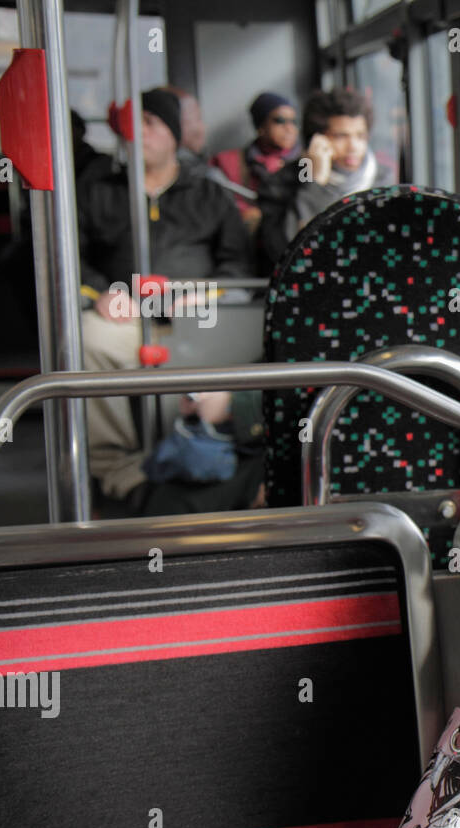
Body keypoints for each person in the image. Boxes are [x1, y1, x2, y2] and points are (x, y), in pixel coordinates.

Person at [76, 87, 255, 513]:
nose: (139, 133)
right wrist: (102, 294)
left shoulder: (209, 194)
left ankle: (210, 458)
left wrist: (205, 295)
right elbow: (74, 258)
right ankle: (121, 473)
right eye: (132, 124)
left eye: (151, 123)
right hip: (125, 315)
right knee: (90, 339)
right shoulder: (100, 190)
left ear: (174, 135)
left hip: (199, 313)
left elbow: (237, 264)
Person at [256, 88, 395, 269]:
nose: (353, 146)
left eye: (360, 136)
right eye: (341, 136)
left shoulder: (381, 178)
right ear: (317, 139)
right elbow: (283, 251)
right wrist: (316, 183)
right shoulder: (281, 182)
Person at [209, 92, 302, 235]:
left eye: (293, 122)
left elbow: (309, 195)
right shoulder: (229, 162)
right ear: (261, 126)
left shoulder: (306, 162)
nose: (289, 128)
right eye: (280, 120)